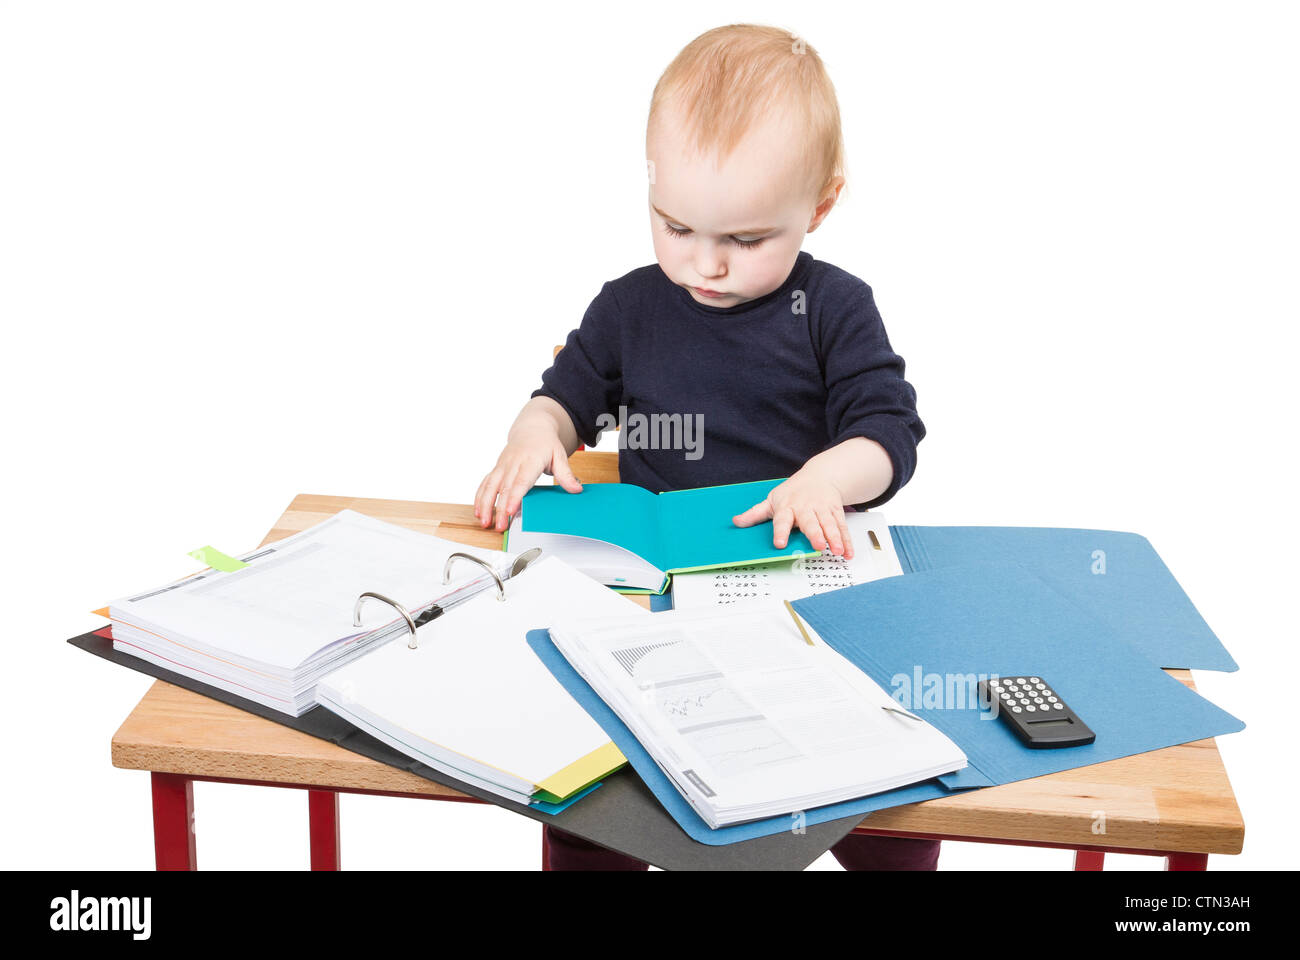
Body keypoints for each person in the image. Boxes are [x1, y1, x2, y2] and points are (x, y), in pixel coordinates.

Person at [474, 23, 935, 871]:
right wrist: (536, 430)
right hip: (655, 605)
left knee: (888, 795)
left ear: (820, 207)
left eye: (746, 240)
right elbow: (570, 395)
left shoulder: (834, 308)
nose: (705, 265)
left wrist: (829, 476)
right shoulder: (630, 307)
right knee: (595, 795)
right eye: (676, 226)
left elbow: (890, 432)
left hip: (804, 594)